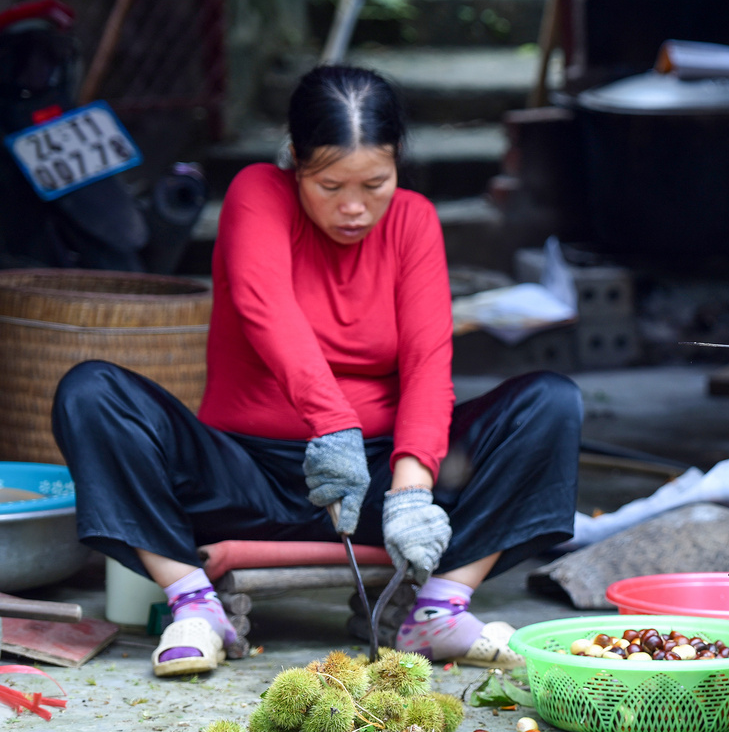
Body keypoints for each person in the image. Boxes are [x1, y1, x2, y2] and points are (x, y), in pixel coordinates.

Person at [53, 65, 582, 678]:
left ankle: (436, 611)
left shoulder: (413, 221)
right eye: (329, 184)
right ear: (295, 162)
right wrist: (333, 426)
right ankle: (194, 605)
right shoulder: (258, 193)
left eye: (374, 183)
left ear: (397, 164)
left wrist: (411, 491)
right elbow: (266, 312)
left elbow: (429, 363)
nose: (353, 207)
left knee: (550, 403)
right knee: (91, 392)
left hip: (381, 483)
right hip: (244, 478)